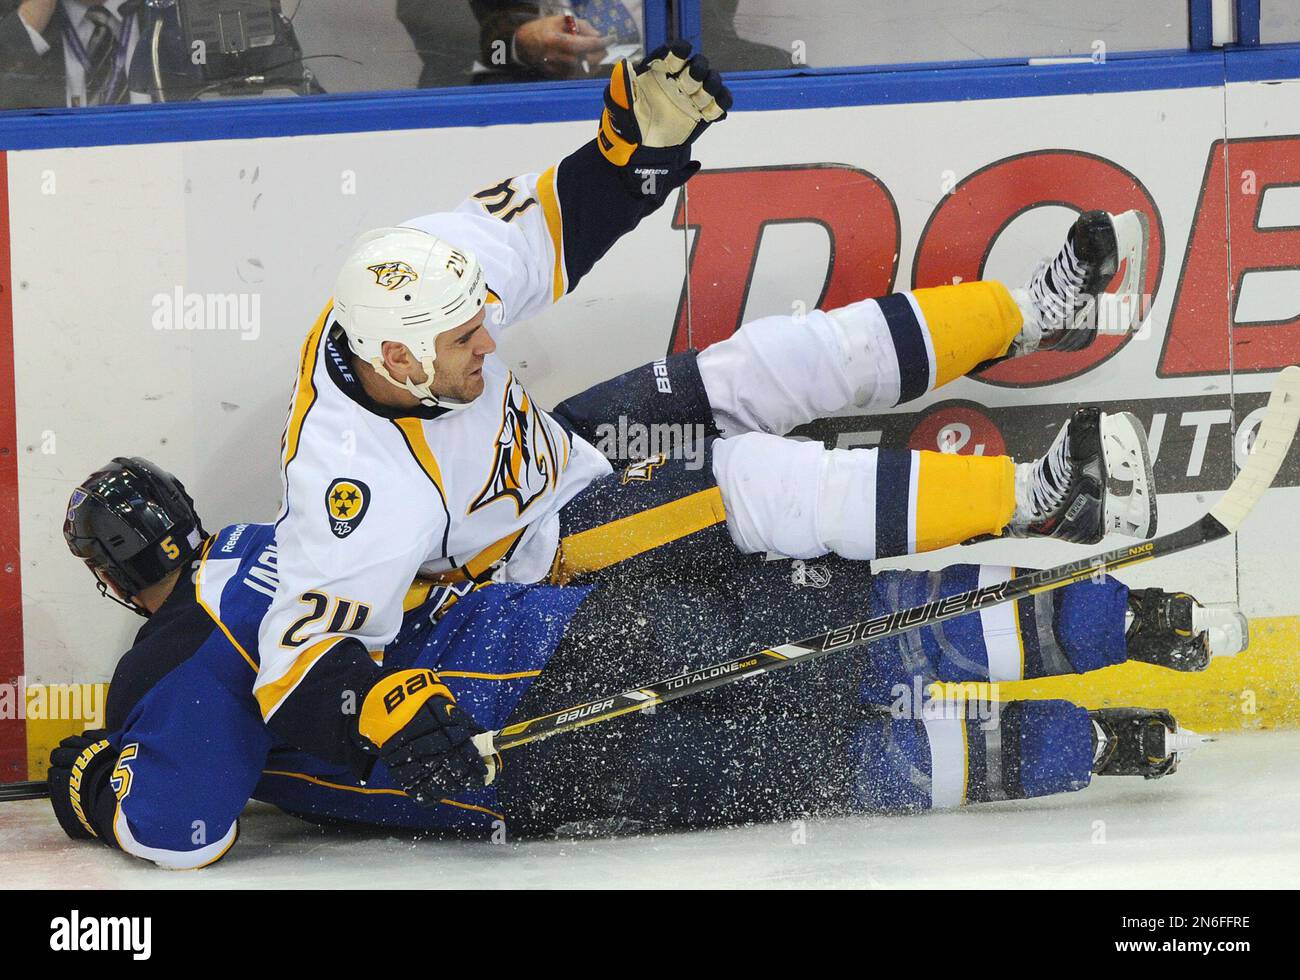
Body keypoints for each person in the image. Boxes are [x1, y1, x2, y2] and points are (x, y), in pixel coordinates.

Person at [257, 41, 1161, 803]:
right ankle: (1038, 500)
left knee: (773, 361)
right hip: (543, 549)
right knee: (762, 482)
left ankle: (1035, 313)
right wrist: (383, 713)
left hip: (570, 452)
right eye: (464, 340)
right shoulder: (350, 485)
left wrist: (627, 152)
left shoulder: (427, 272)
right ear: (399, 363)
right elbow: (294, 675)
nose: (491, 340)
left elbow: (558, 224)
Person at [50, 456, 1245, 868]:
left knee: (824, 762)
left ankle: (1092, 747)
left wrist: (88, 775)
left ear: (110, 574)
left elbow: (183, 827)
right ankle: (1131, 620)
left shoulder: (169, 662)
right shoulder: (297, 525)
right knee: (871, 623)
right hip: (579, 635)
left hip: (532, 772)